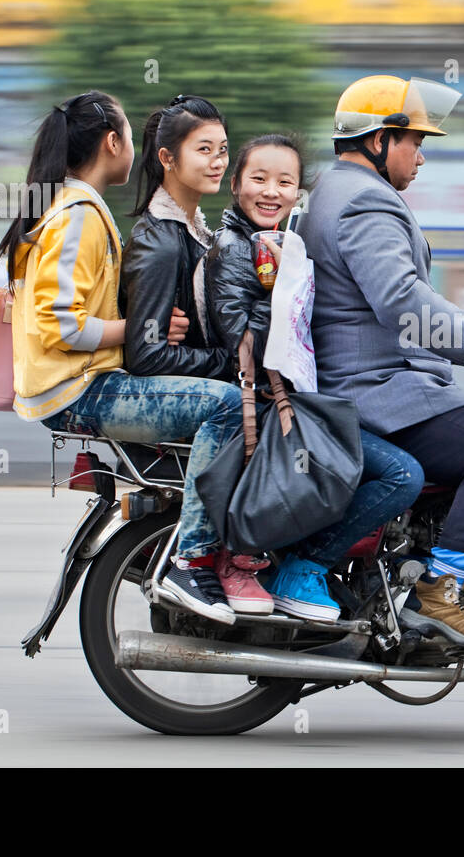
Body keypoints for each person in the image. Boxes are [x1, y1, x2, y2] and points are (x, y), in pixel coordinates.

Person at [297, 75, 464, 650]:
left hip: (374, 380)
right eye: (415, 141)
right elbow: (405, 304)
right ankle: (438, 592)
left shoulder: (333, 191)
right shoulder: (365, 202)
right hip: (373, 389)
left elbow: (403, 301)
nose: (421, 156)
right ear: (378, 139)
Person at [0, 89, 247, 627]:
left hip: (82, 380)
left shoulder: (69, 207)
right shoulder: (80, 214)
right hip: (79, 389)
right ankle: (190, 559)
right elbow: (60, 323)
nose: (135, 142)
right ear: (113, 143)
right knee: (225, 404)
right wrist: (138, 329)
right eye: (131, 133)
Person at [205, 133, 424, 621]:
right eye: (258, 178)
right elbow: (244, 341)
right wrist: (288, 283)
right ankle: (304, 569)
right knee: (403, 474)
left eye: (285, 181)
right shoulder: (236, 249)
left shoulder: (281, 243)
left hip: (294, 399)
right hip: (270, 406)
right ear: (235, 184)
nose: (271, 191)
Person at [119, 95, 272, 615]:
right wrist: (228, 366)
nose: (217, 161)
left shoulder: (194, 231)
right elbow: (146, 356)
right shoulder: (161, 242)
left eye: (223, 149)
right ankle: (197, 558)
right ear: (167, 158)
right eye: (203, 149)